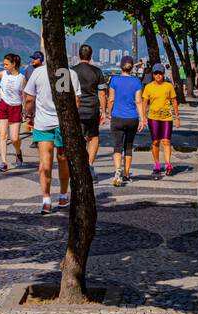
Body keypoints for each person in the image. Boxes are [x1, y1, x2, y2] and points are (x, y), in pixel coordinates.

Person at [23, 57, 81, 214]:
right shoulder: (71, 74)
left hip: (43, 123)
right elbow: (76, 101)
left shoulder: (38, 72)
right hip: (64, 123)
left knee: (45, 162)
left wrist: (28, 115)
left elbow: (29, 99)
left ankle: (46, 200)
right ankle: (63, 196)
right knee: (63, 159)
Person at [71, 45, 108, 183]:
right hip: (93, 109)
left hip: (76, 109)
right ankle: (90, 165)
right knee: (93, 137)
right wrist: (104, 111)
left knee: (79, 138)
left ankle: (80, 167)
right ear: (91, 56)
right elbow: (102, 94)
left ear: (79, 56)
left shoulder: (72, 71)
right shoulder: (97, 71)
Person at [106, 55, 144, 186]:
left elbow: (111, 99)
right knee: (128, 146)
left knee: (117, 146)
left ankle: (118, 170)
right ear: (132, 67)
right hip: (132, 118)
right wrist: (142, 119)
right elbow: (138, 101)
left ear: (120, 66)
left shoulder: (114, 80)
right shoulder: (136, 81)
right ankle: (127, 174)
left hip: (117, 117)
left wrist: (109, 113)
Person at [141, 64, 180, 179]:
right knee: (155, 142)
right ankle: (157, 165)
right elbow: (144, 103)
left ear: (163, 74)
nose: (158, 75)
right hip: (153, 118)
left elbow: (174, 102)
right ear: (152, 74)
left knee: (166, 141)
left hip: (167, 118)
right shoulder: (148, 87)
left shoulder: (169, 86)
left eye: (160, 73)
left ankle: (168, 164)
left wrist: (177, 118)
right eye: (155, 73)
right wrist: (142, 117)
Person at [0, 53, 25, 171]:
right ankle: (3, 162)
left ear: (13, 64)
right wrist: (0, 90)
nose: (4, 66)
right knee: (3, 135)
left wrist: (25, 110)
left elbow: (24, 95)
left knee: (14, 138)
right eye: (4, 64)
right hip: (3, 106)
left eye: (6, 64)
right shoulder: (2, 74)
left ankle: (18, 152)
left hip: (16, 107)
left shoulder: (22, 78)